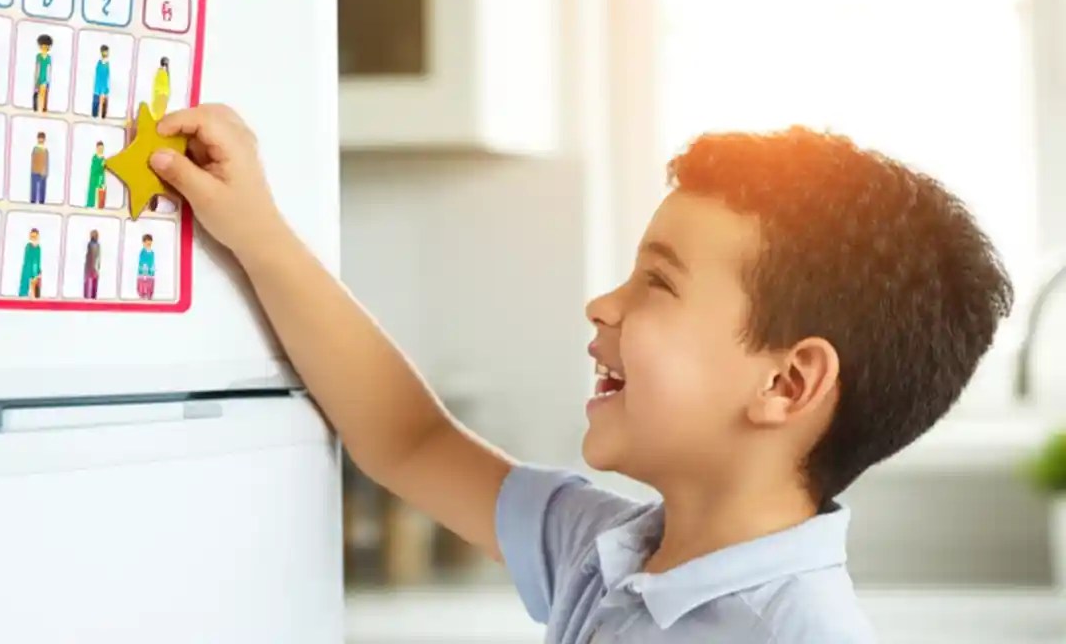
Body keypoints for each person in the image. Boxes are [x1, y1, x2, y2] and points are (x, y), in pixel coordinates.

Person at [146, 105, 1015, 643]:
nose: (602, 304)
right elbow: (407, 441)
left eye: (658, 283)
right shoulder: (603, 552)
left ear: (787, 385)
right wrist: (256, 232)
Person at [19, 228, 42, 298]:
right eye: (32, 237)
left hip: (36, 272)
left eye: (35, 237)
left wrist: (38, 272)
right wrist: (33, 274)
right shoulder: (28, 247)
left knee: (36, 292)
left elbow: (38, 261)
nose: (33, 239)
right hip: (28, 271)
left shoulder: (38, 248)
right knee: (25, 289)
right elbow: (28, 261)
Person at [33, 33, 53, 112]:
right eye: (42, 46)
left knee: (44, 93)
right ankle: (36, 107)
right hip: (39, 77)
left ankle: (44, 107)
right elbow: (37, 67)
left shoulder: (49, 57)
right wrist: (36, 78)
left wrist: (48, 79)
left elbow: (49, 68)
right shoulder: (38, 56)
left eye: (46, 46)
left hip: (45, 77)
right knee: (37, 92)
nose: (44, 48)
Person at [86, 141, 107, 208]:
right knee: (92, 192)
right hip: (94, 178)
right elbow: (94, 168)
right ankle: (90, 204)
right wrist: (101, 165)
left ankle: (100, 205)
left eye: (102, 148)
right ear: (97, 148)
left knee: (101, 192)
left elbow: (103, 171)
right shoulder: (94, 158)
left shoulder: (103, 158)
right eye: (99, 148)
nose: (101, 150)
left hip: (100, 178)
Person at [30, 131, 49, 204]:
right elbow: (33, 160)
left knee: (42, 187)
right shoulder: (35, 149)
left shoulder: (45, 150)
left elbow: (46, 161)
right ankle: (33, 200)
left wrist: (45, 171)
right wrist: (33, 169)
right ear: (37, 139)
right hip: (34, 171)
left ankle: (41, 201)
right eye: (39, 138)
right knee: (34, 187)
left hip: (42, 171)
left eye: (42, 138)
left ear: (44, 139)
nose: (41, 140)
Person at [93, 45, 111, 119]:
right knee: (96, 100)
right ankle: (95, 114)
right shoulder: (100, 63)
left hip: (104, 85)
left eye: (106, 52)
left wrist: (106, 88)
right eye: (104, 52)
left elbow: (107, 75)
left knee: (104, 101)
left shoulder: (107, 63)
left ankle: (103, 115)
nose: (105, 54)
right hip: (98, 86)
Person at [136, 233, 155, 300]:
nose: (148, 243)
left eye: (150, 241)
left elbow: (152, 262)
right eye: (146, 242)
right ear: (143, 243)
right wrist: (144, 270)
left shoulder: (152, 252)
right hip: (143, 273)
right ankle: (142, 295)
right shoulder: (142, 252)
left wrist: (152, 270)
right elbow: (142, 261)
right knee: (143, 285)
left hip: (150, 273)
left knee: (150, 284)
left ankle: (149, 295)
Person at [84, 229, 101, 299]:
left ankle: (89, 296)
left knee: (90, 282)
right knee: (92, 282)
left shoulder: (91, 245)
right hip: (92, 267)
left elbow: (90, 256)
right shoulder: (95, 245)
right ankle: (91, 296)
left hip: (91, 267)